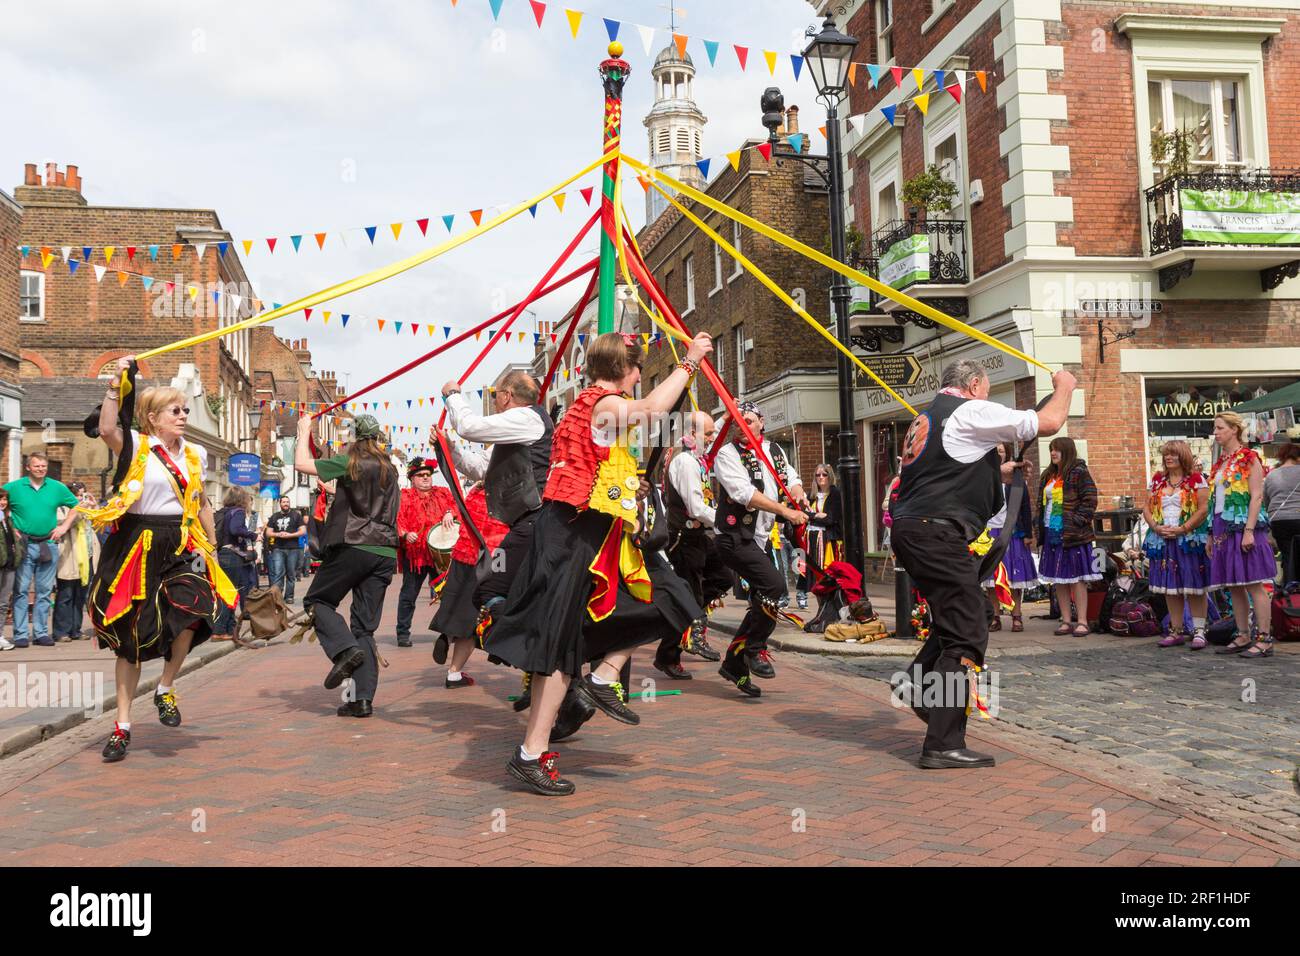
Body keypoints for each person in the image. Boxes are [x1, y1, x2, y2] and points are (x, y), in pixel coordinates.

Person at [487, 331, 710, 795]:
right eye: (637, 370)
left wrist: (629, 488)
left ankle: (597, 684)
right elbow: (651, 410)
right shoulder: (602, 403)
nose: (638, 378)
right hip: (570, 536)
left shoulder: (594, 406)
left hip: (587, 534)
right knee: (562, 647)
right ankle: (534, 750)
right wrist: (688, 363)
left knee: (658, 601)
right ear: (625, 370)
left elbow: (605, 467)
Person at [890, 359, 1075, 769]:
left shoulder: (928, 416)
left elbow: (946, 468)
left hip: (914, 530)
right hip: (936, 532)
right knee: (969, 630)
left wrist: (999, 470)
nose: (988, 397)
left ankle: (916, 686)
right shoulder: (971, 409)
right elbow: (1048, 422)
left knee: (956, 620)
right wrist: (1064, 385)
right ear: (974, 384)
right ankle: (941, 743)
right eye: (988, 389)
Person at [85, 356, 237, 762]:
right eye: (176, 410)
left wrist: (212, 543)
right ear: (153, 418)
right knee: (129, 642)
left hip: (175, 543)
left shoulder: (195, 456)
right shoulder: (137, 445)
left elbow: (201, 501)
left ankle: (166, 687)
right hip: (135, 543)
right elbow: (105, 428)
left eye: (186, 409)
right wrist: (114, 385)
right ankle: (122, 726)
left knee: (196, 611)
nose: (184, 415)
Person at [295, 413, 400, 717]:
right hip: (384, 552)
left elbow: (301, 464)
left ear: (354, 438)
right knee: (364, 627)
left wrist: (304, 432)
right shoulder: (389, 469)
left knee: (317, 600)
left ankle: (344, 649)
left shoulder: (350, 462)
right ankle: (361, 700)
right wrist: (336, 491)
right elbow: (366, 500)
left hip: (353, 544)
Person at [712, 402, 808, 695]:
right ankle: (754, 649)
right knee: (776, 589)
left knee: (762, 599)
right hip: (734, 537)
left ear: (761, 423)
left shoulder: (775, 451)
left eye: (750, 421)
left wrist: (798, 493)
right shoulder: (727, 455)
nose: (744, 427)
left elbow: (790, 478)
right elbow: (746, 494)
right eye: (738, 422)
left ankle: (734, 663)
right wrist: (787, 512)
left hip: (760, 539)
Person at [654, 410, 732, 679]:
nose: (712, 438)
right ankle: (671, 652)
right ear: (692, 435)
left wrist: (727, 415)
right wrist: (724, 523)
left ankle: (693, 620)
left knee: (723, 575)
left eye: (712, 433)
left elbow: (714, 430)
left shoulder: (697, 458)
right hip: (683, 539)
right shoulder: (686, 463)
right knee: (688, 597)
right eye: (708, 434)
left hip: (698, 537)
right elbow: (697, 508)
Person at [1207, 412, 1277, 659]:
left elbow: (1257, 496)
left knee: (1253, 582)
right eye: (1215, 429)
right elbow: (1215, 500)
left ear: (1234, 430)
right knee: (1233, 583)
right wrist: (1209, 533)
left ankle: (1265, 637)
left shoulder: (1249, 458)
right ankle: (1243, 633)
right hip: (1221, 526)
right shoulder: (1220, 462)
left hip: (1244, 527)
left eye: (1219, 428)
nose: (1215, 433)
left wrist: (1249, 530)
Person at [429, 480, 508, 688]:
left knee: (459, 607)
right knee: (477, 617)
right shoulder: (509, 491)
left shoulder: (475, 490)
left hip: (462, 554)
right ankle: (454, 671)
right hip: (491, 558)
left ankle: (448, 638)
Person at [3, 453, 81, 647]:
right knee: (20, 590)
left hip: (49, 544)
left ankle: (40, 633)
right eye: (37, 466)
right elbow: (2, 504)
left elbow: (77, 506)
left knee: (44, 591)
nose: (41, 469)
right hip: (24, 545)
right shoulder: (13, 487)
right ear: (28, 467)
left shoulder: (57, 487)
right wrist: (12, 528)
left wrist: (64, 527)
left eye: (43, 466)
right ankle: (21, 634)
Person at [1141, 441, 1212, 648]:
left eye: (1173, 454)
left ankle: (1199, 631)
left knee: (1194, 586)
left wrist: (1183, 528)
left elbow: (1203, 509)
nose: (1168, 458)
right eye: (1166, 455)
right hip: (1163, 540)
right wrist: (1155, 526)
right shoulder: (1157, 481)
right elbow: (1146, 507)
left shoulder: (1197, 480)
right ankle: (1176, 629)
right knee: (1170, 587)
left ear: (1183, 456)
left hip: (1188, 540)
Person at [1036, 436, 1100, 636]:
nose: (1053, 453)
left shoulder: (1079, 472)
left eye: (1057, 450)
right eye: (1051, 450)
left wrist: (1076, 520)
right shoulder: (1048, 475)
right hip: (1051, 532)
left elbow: (1090, 500)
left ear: (1067, 451)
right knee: (1058, 579)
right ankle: (1065, 620)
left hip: (1073, 534)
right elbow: (1041, 504)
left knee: (1077, 578)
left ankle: (1082, 621)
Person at [395, 458, 455, 648]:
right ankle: (402, 633)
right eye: (420, 475)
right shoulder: (404, 496)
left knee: (448, 595)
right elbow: (397, 521)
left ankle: (449, 632)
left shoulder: (443, 493)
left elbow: (456, 506)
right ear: (412, 479)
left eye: (428, 474)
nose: (425, 478)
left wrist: (449, 513)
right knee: (408, 595)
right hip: (415, 556)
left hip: (440, 556)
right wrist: (405, 534)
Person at [982, 444, 1037, 632]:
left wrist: (1028, 534)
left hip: (1012, 531)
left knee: (1015, 576)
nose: (999, 454)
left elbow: (1025, 506)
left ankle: (1016, 615)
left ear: (1007, 453)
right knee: (991, 578)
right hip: (989, 532)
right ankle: (995, 616)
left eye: (1001, 450)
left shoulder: (1016, 476)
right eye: (995, 451)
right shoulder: (984, 476)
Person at [53, 484, 101, 642]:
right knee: (65, 595)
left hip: (87, 558)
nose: (80, 499)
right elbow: (61, 526)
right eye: (77, 495)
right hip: (70, 557)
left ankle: (76, 629)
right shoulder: (62, 509)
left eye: (82, 495)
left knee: (80, 596)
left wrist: (95, 507)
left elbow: (100, 523)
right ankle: (61, 631)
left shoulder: (85, 509)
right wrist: (79, 511)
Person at [213, 486, 258, 639]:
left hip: (222, 554)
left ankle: (228, 629)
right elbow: (235, 529)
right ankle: (220, 631)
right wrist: (252, 535)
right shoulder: (238, 512)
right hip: (233, 555)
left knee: (225, 592)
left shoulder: (223, 512)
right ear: (242, 499)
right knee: (231, 593)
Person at [796, 463, 843, 610]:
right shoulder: (812, 495)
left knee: (827, 575)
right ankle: (821, 610)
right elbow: (805, 515)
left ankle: (832, 609)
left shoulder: (835, 493)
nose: (821, 477)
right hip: (812, 540)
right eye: (818, 475)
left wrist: (812, 515)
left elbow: (830, 519)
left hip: (827, 540)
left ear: (830, 476)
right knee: (815, 578)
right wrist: (816, 515)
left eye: (824, 474)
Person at [1262, 442, 1300, 584]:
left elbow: (1266, 501)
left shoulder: (1271, 475)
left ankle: (1290, 590)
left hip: (1278, 519)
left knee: (1287, 554)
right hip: (1298, 517)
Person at [264, 496, 305, 602]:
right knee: (278, 573)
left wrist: (289, 535)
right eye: (284, 502)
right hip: (278, 548)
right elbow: (268, 533)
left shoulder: (296, 516)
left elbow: (302, 531)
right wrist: (278, 534)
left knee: (291, 574)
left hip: (293, 548)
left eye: (287, 502)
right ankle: (278, 597)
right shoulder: (274, 516)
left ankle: (289, 596)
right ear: (280, 503)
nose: (286, 504)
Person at [0, 490, 16, 650]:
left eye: (4, 499)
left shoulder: (7, 519)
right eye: (0, 499)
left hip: (9, 565)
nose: (2, 502)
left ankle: (0, 635)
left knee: (4, 603)